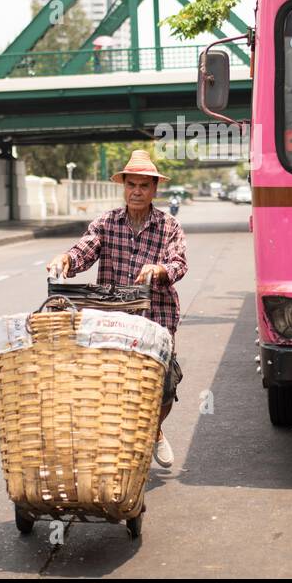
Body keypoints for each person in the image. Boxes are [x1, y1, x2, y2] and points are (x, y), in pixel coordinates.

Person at [46, 149, 188, 468]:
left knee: (164, 386)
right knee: (108, 384)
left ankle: (155, 432)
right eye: (131, 185)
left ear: (154, 189)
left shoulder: (169, 226)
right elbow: (85, 248)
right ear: (123, 186)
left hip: (156, 316)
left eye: (143, 186)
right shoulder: (107, 222)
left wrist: (159, 270)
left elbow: (178, 262)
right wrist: (65, 260)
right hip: (112, 319)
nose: (136, 191)